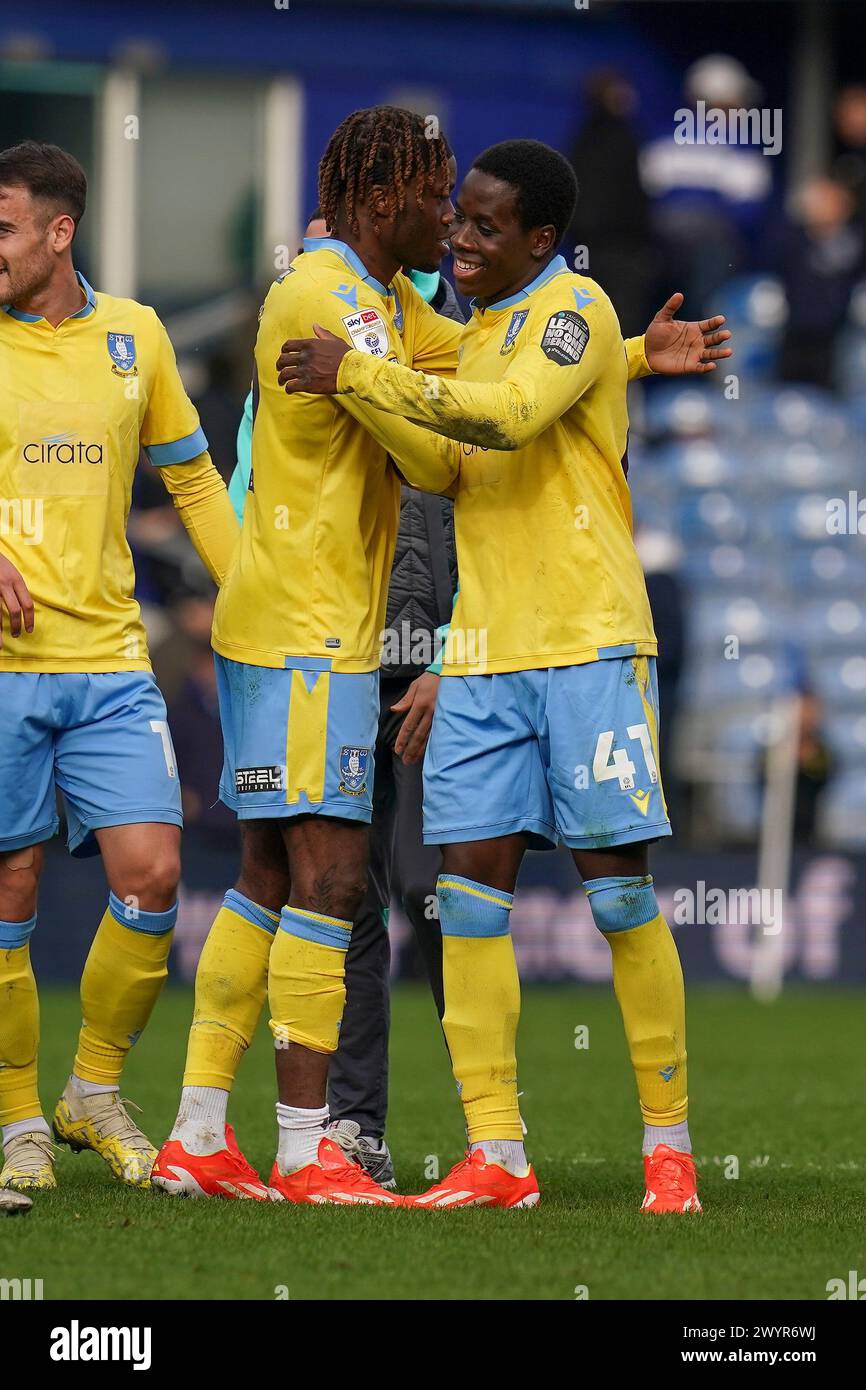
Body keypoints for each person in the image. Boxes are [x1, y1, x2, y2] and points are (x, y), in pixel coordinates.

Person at [277, 138, 732, 1213]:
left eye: (484, 226)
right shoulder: (467, 332)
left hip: (585, 641)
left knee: (618, 894)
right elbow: (445, 460)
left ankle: (667, 1150)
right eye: (456, 219)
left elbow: (515, 414)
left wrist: (361, 374)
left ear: (539, 237)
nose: (459, 239)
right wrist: (367, 394)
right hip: (480, 655)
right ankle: (498, 1155)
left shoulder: (572, 309)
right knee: (463, 900)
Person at [151, 106, 465, 1206]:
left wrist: (614, 356)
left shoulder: (380, 304)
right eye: (436, 193)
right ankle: (302, 1148)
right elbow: (434, 450)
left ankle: (197, 1131)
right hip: (305, 631)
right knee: (332, 877)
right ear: (382, 202)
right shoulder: (326, 293)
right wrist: (405, 392)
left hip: (295, 622)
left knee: (269, 876)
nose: (451, 215)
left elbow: (483, 375)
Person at [0, 141, 238, 1195]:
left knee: (151, 873)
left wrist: (253, 594)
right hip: (7, 668)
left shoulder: (135, 336)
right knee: (11, 888)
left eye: (2, 228)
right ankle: (17, 1119)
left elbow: (191, 482)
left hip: (107, 656)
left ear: (59, 231)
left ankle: (91, 1091)